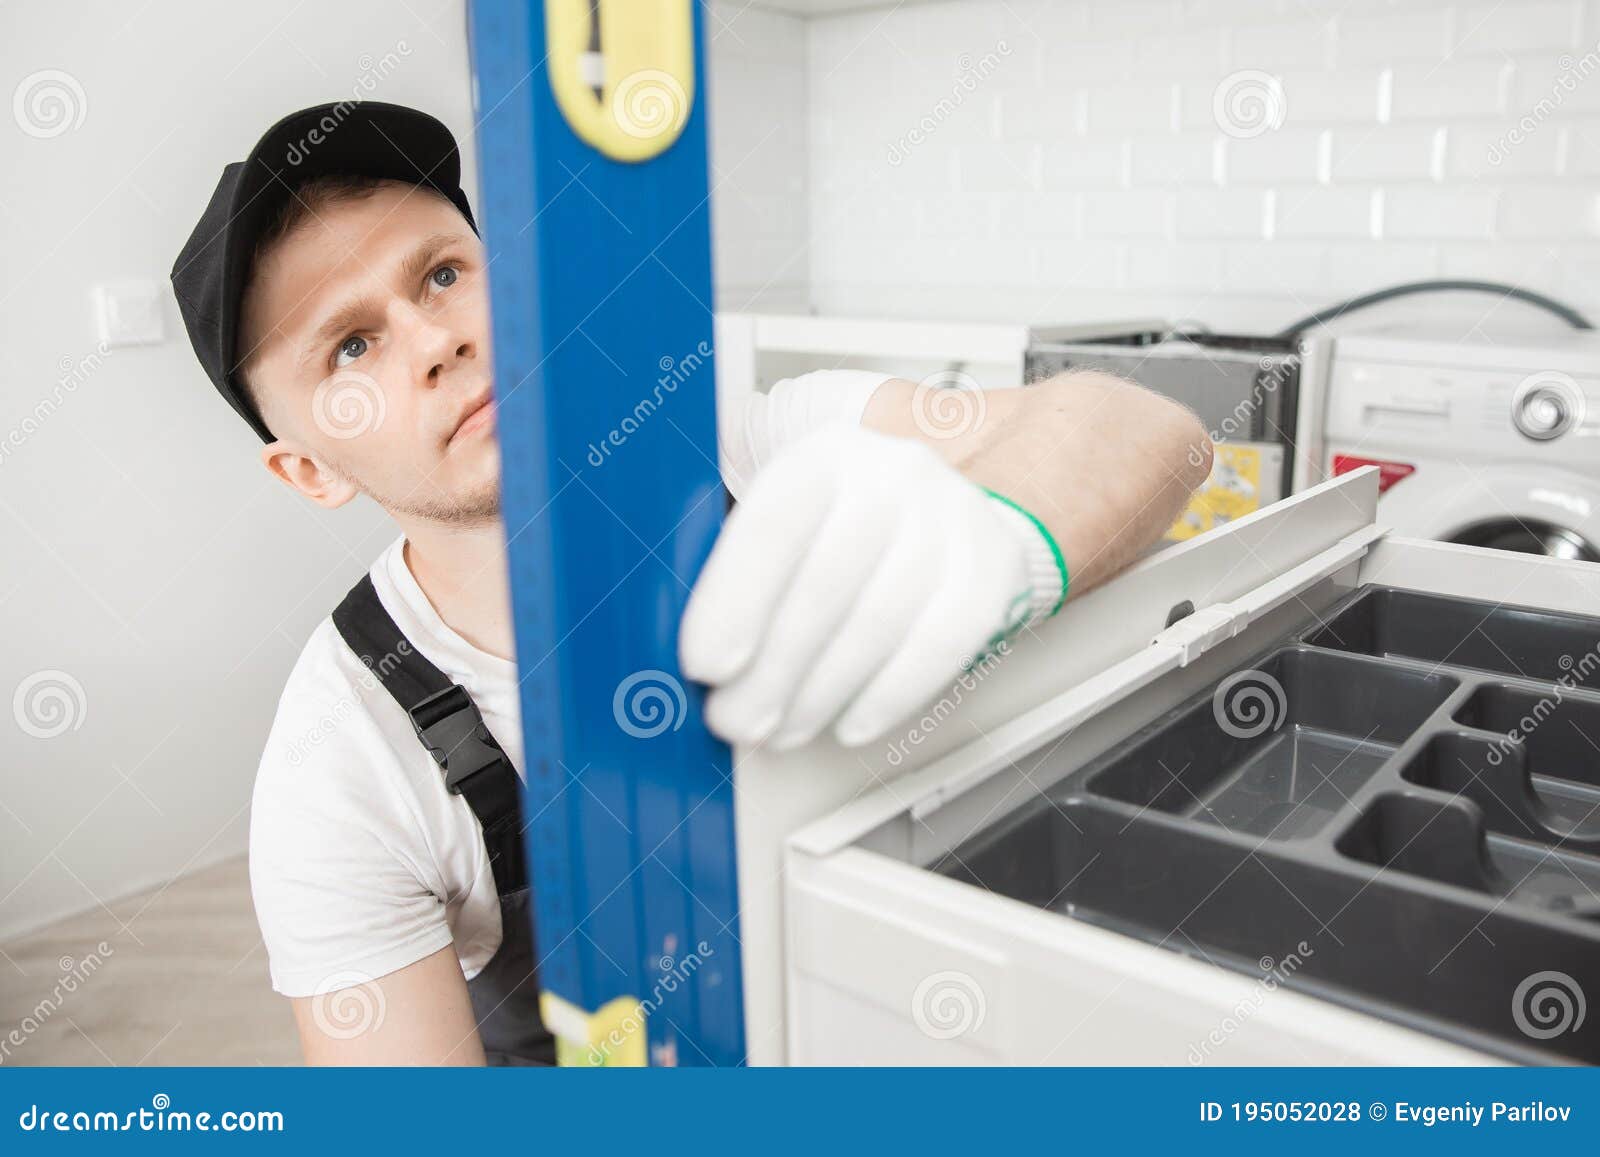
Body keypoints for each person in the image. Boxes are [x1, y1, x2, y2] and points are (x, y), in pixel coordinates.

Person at [172, 102, 1212, 1066]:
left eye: (443, 273)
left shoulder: (743, 445)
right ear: (308, 467)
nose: (438, 338)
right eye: (352, 344)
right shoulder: (341, 760)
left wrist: (1000, 541)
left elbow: (1151, 430)